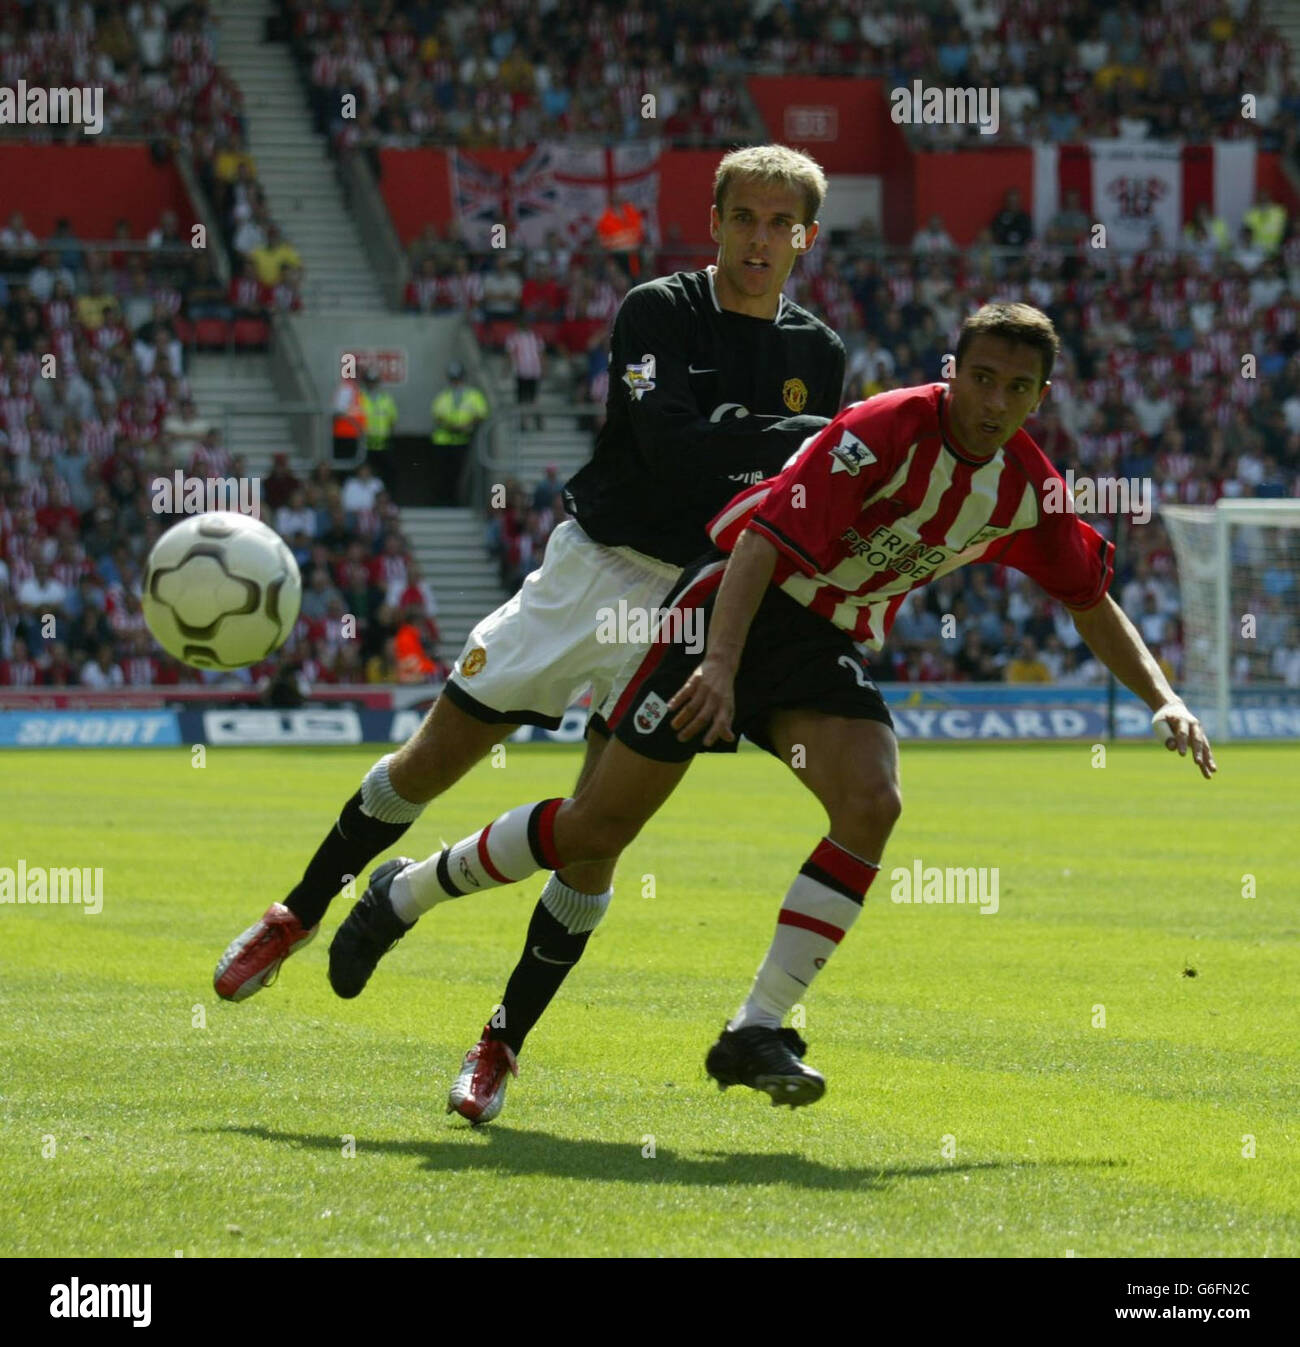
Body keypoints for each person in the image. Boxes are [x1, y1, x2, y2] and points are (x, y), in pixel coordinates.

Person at [333, 302, 1216, 1117]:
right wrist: (717, 665)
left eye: (1016, 388)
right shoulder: (881, 431)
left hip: (816, 643)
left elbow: (1089, 598)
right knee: (597, 830)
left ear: (1040, 396)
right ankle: (406, 891)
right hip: (728, 608)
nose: (993, 401)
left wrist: (1165, 698)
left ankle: (757, 1026)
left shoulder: (1027, 487)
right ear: (954, 371)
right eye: (980, 378)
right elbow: (757, 543)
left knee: (872, 802)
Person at [212, 144, 845, 1119]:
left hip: (694, 599)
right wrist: (786, 446)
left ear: (804, 237)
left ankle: (500, 1043)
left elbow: (797, 502)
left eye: (780, 224)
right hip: (589, 573)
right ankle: (297, 913)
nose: (760, 240)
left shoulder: (819, 354)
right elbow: (670, 450)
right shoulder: (658, 312)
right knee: (431, 761)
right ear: (714, 221)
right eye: (744, 218)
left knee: (597, 841)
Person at [429, 361, 488, 505]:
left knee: (459, 475)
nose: (456, 382)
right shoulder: (443, 396)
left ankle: (457, 503)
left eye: (458, 378)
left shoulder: (474, 396)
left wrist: (466, 425)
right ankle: (442, 502)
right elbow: (437, 416)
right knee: (443, 474)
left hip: (462, 441)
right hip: (443, 441)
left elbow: (481, 414)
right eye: (453, 379)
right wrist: (453, 426)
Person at [358, 368, 398, 495]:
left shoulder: (387, 399)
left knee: (388, 473)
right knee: (365, 475)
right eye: (369, 382)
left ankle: (387, 500)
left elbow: (392, 420)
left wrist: (388, 436)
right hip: (365, 445)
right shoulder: (360, 398)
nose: (372, 384)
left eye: (374, 381)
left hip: (383, 444)